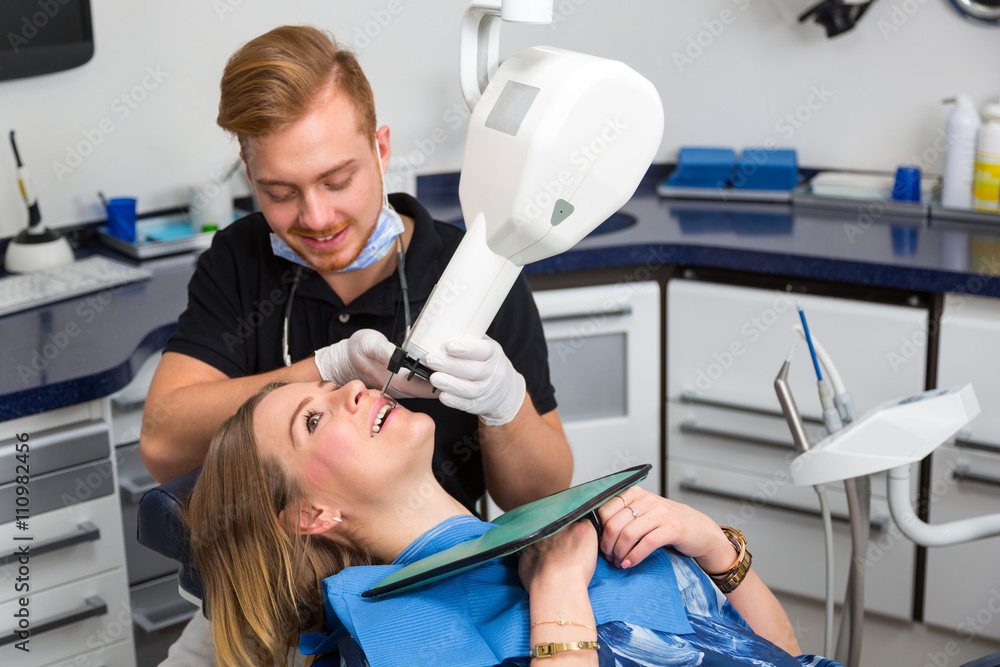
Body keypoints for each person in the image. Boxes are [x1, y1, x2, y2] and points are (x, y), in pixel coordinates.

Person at [142, 24, 572, 663]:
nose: (314, 219)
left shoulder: (471, 270)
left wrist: (504, 406)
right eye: (279, 193)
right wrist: (321, 366)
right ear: (250, 176)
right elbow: (162, 443)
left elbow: (543, 501)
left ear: (381, 148)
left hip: (437, 597)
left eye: (337, 179)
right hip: (268, 607)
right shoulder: (241, 259)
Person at [187, 380, 844, 667]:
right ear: (312, 513)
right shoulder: (394, 637)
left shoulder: (573, 527)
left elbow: (781, 655)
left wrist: (711, 544)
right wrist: (557, 589)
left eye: (333, 390)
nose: (353, 390)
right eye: (313, 419)